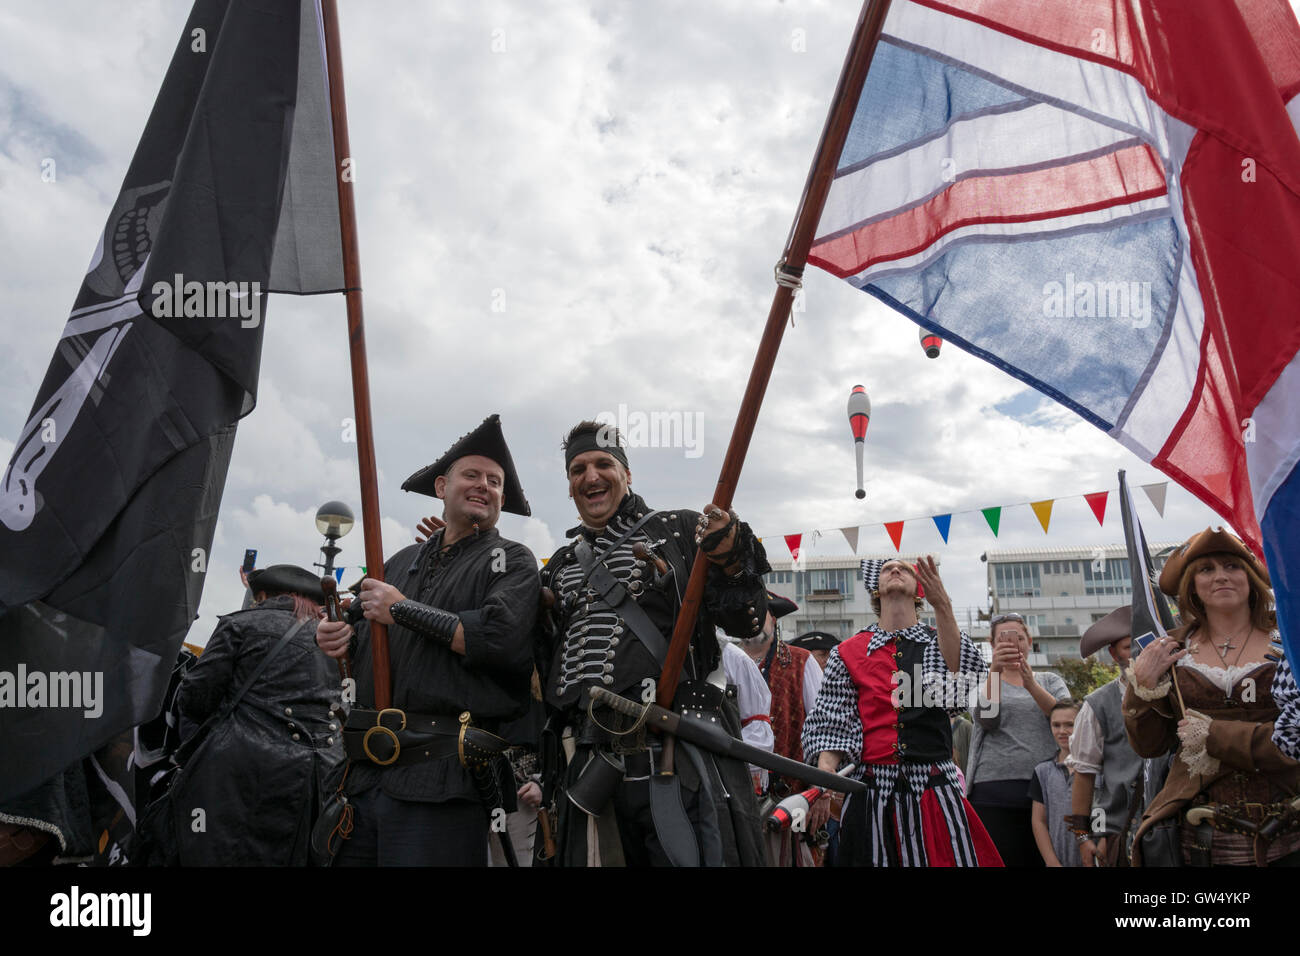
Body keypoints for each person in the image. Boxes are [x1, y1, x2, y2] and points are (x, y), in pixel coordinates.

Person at [535, 420, 769, 866]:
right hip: (586, 761)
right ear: (568, 485)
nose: (591, 477)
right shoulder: (560, 564)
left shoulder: (682, 531)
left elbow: (743, 619)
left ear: (627, 473)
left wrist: (733, 556)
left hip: (674, 754)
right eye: (578, 469)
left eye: (604, 464)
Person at [315, 414, 539, 866]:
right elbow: (361, 637)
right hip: (363, 779)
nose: (484, 486)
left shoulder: (512, 560)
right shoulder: (399, 563)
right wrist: (337, 638)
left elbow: (500, 639)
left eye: (494, 481)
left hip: (444, 781)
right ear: (441, 487)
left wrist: (401, 609)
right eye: (471, 475)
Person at [802, 557, 1001, 866]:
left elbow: (961, 688)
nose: (895, 570)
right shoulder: (848, 651)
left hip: (934, 788)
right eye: (887, 569)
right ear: (875, 588)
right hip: (869, 790)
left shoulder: (939, 638)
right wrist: (825, 773)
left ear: (918, 591)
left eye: (905, 569)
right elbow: (832, 721)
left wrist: (943, 605)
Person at [1125, 528, 1300, 866]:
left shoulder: (1293, 641)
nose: (1221, 576)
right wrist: (1142, 688)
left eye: (1231, 566)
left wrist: (1213, 735)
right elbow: (1149, 747)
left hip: (1291, 833)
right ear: (1192, 585)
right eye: (1206, 569)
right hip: (1201, 838)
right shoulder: (1169, 651)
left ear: (1249, 578)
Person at [171, 565, 345, 865]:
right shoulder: (344, 640)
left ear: (262, 596)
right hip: (321, 777)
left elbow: (195, 700)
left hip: (238, 771)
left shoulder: (243, 623)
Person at [966, 612, 1071, 866]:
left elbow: (1065, 717)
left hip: (1044, 790)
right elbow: (986, 719)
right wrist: (994, 671)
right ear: (992, 645)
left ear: (1029, 640)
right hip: (992, 790)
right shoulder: (981, 683)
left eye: (1018, 638)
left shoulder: (1050, 680)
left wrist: (1030, 683)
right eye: (1003, 640)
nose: (1013, 644)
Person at [742, 593, 825, 865]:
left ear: (774, 618)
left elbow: (822, 729)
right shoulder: (722, 662)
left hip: (791, 801)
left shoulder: (802, 661)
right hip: (736, 802)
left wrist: (821, 790)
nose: (751, 617)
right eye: (744, 612)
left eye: (759, 611)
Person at [1067, 606, 1142, 867]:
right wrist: (1084, 835)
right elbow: (1085, 776)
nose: (1138, 652)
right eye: (1127, 646)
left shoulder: (1180, 693)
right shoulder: (1097, 705)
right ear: (1113, 654)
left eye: (1145, 641)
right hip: (1121, 829)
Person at [1029, 700, 1082, 867]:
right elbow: (1039, 821)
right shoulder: (1042, 772)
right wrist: (1051, 861)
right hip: (1059, 859)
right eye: (1056, 725)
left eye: (1069, 725)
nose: (1062, 731)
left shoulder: (1100, 769)